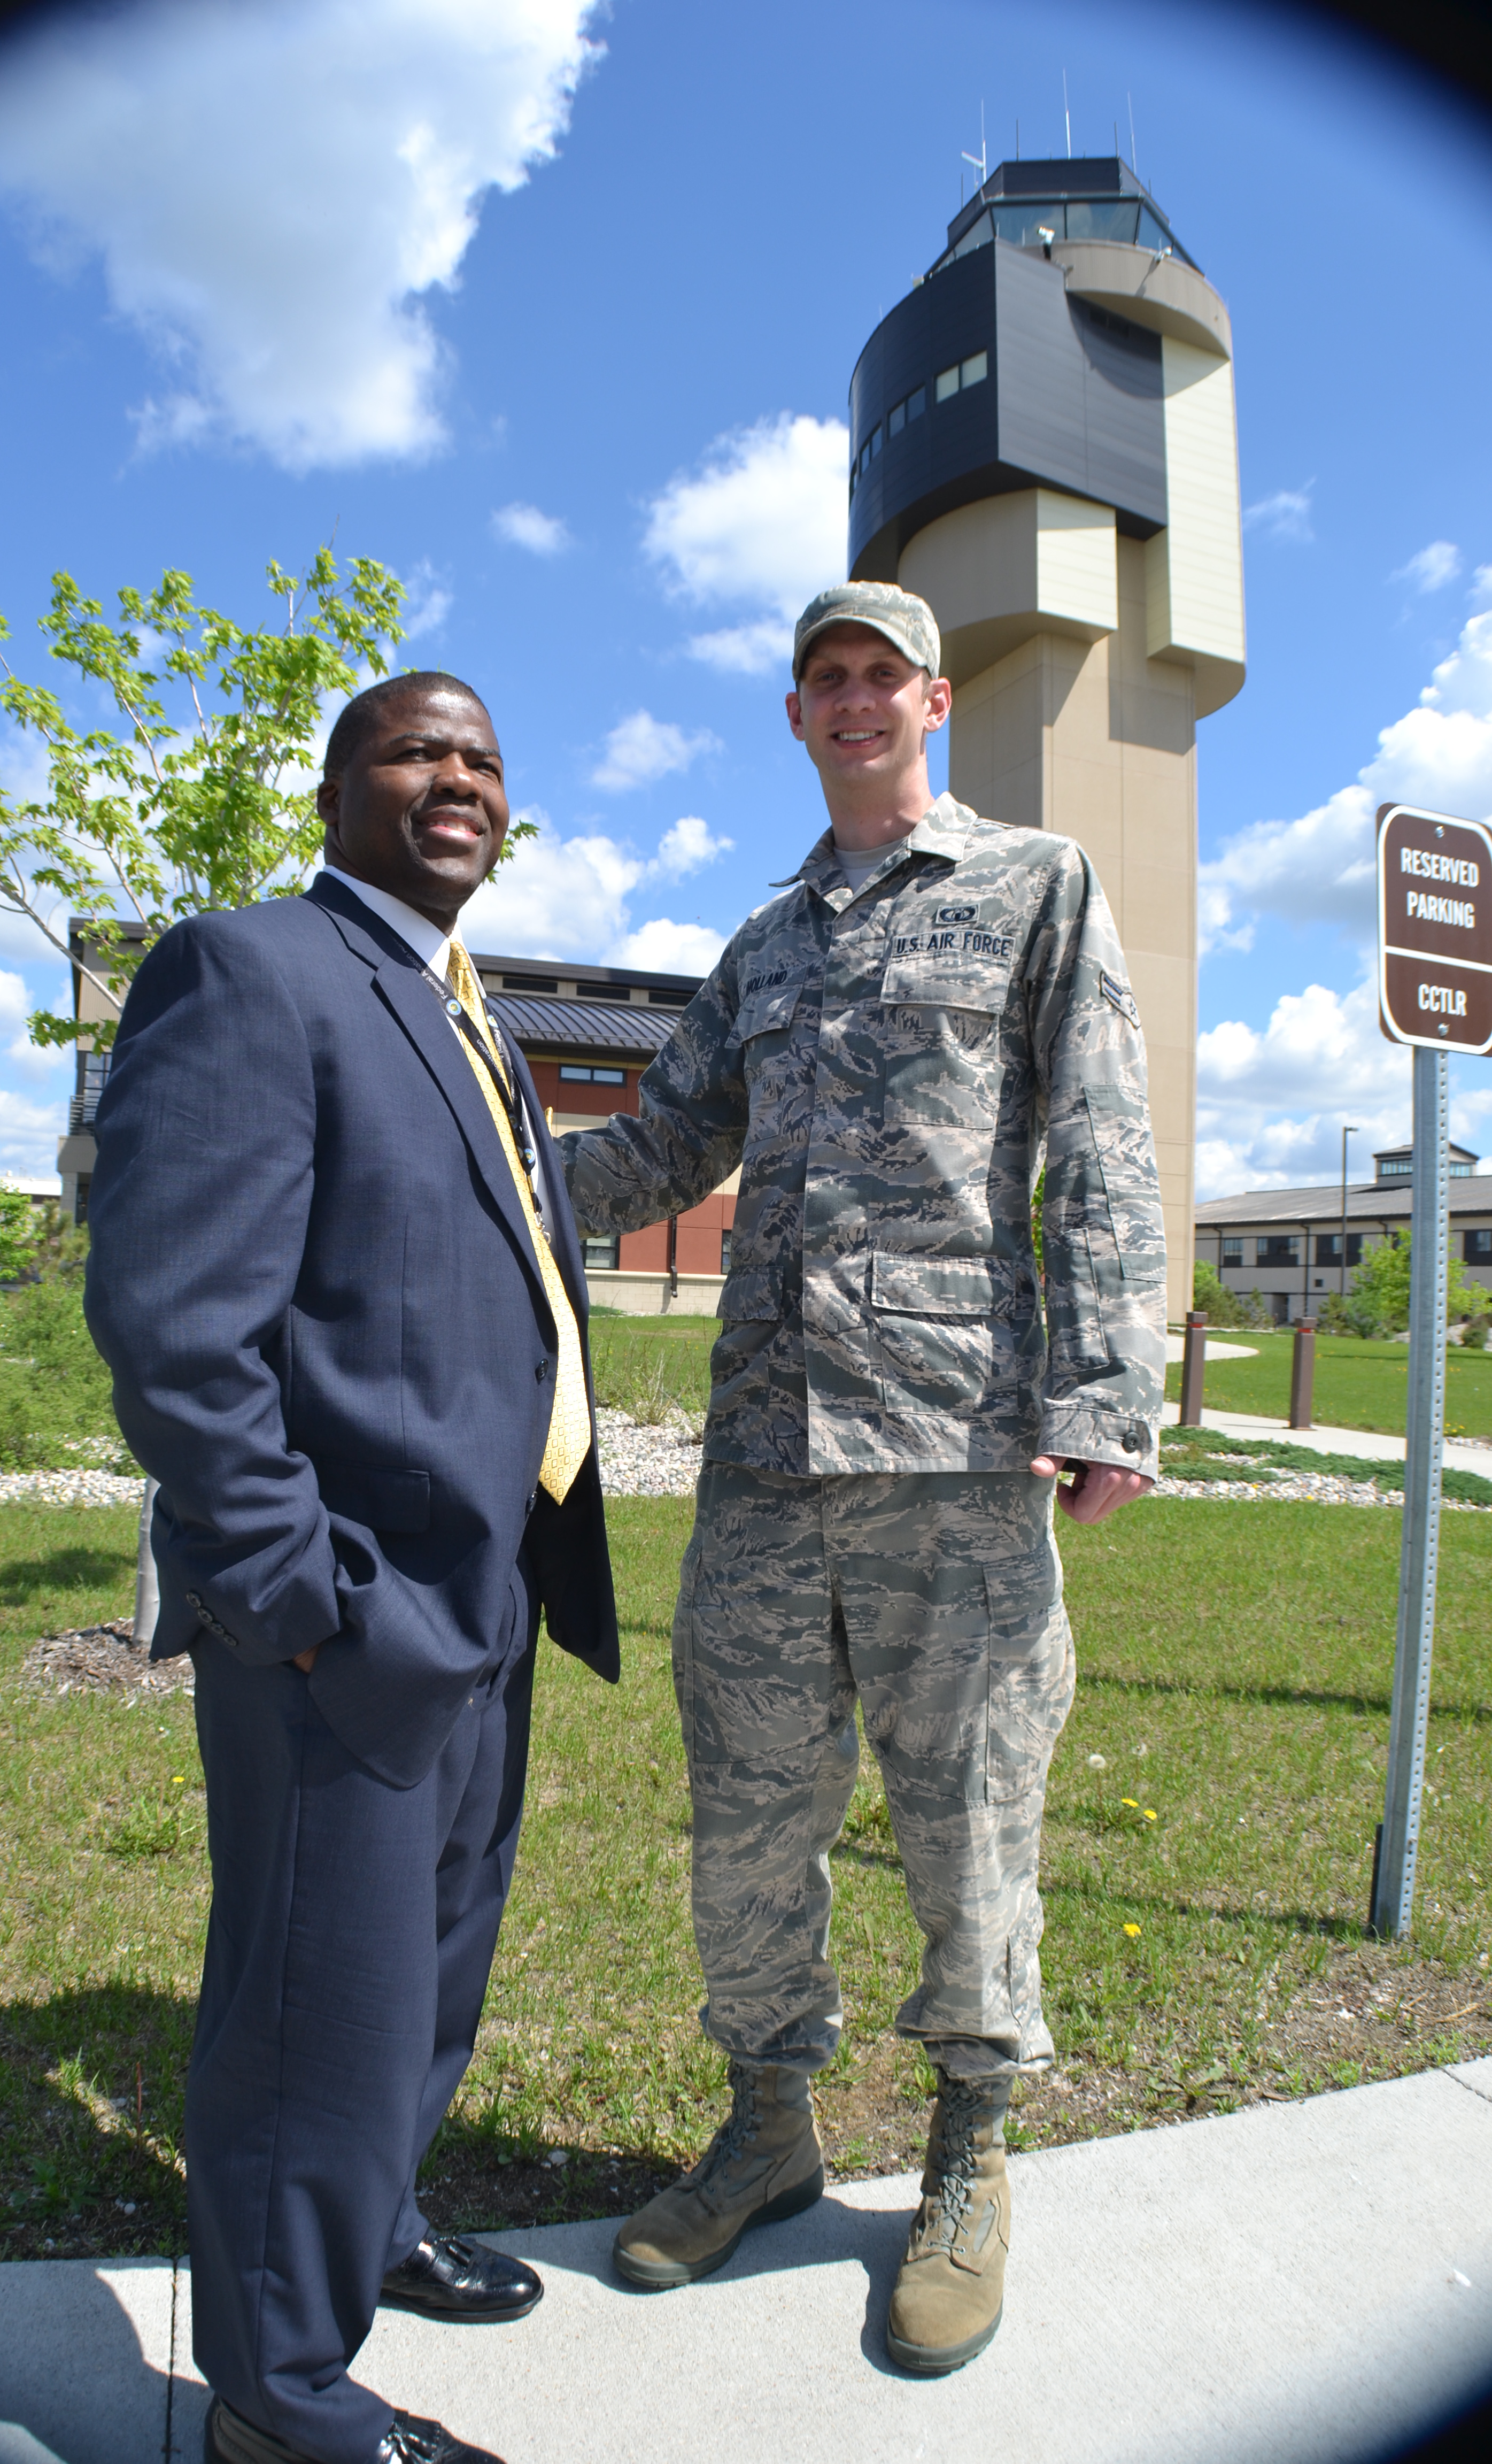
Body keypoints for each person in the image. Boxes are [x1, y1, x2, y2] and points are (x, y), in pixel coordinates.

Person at [559, 581, 1164, 2377]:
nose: (849, 700)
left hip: (956, 1445)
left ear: (935, 698)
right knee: (747, 1811)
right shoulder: (767, 940)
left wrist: (1110, 1390)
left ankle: (972, 2146)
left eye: (877, 676)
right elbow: (671, 1140)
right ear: (799, 710)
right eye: (821, 678)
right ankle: (770, 2121)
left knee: (968, 1805)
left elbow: (1100, 1133)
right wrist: (483, 1146)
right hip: (763, 1453)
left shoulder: (1032, 885)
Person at [85, 672, 619, 2464]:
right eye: (415, 751)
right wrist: (301, 1604)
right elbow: (177, 1331)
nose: (456, 777)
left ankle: (367, 2232)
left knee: (427, 1976)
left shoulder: (471, 1015)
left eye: (481, 755)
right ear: (335, 793)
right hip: (347, 1617)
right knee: (315, 2011)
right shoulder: (254, 972)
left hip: (490, 1593)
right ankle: (279, 2400)